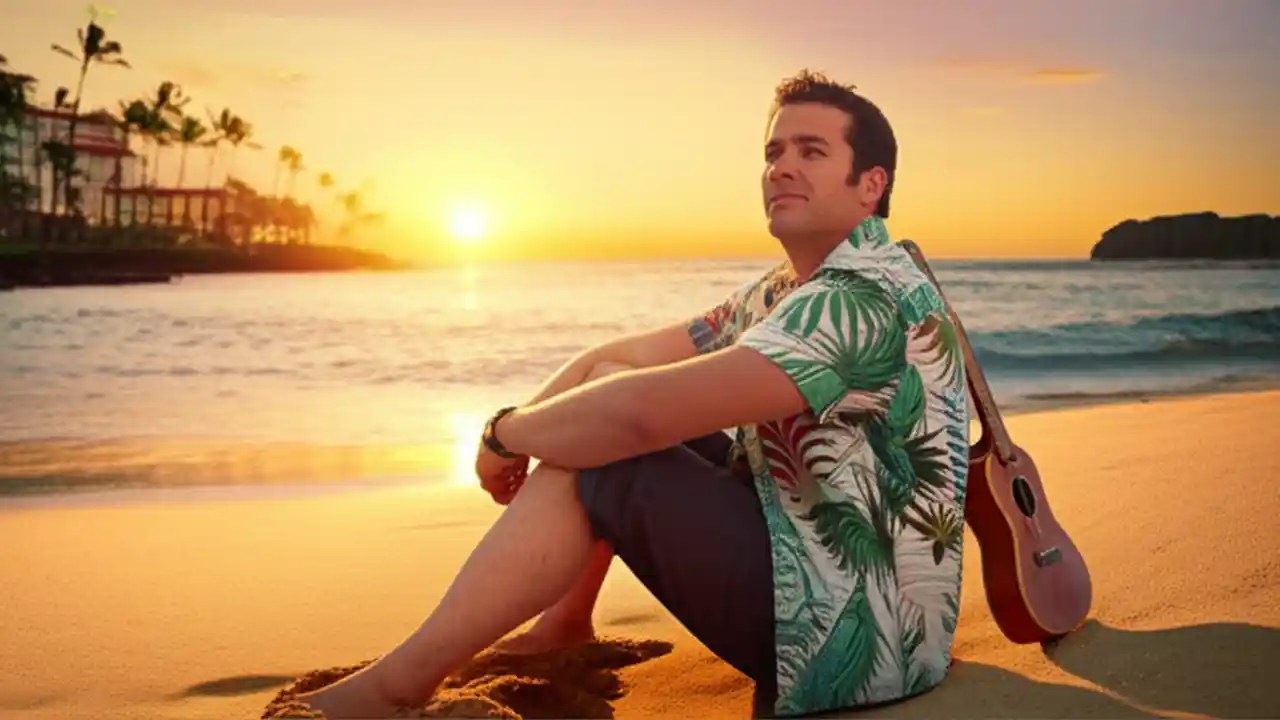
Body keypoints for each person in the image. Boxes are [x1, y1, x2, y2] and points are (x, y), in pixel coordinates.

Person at [297, 68, 970, 719]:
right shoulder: (785, 290)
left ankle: (400, 683)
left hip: (853, 648)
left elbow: (637, 419)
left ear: (870, 185)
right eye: (773, 152)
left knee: (616, 449)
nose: (781, 167)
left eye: (812, 151)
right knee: (608, 403)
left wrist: (506, 435)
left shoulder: (857, 298)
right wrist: (527, 423)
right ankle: (563, 622)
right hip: (825, 573)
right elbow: (619, 363)